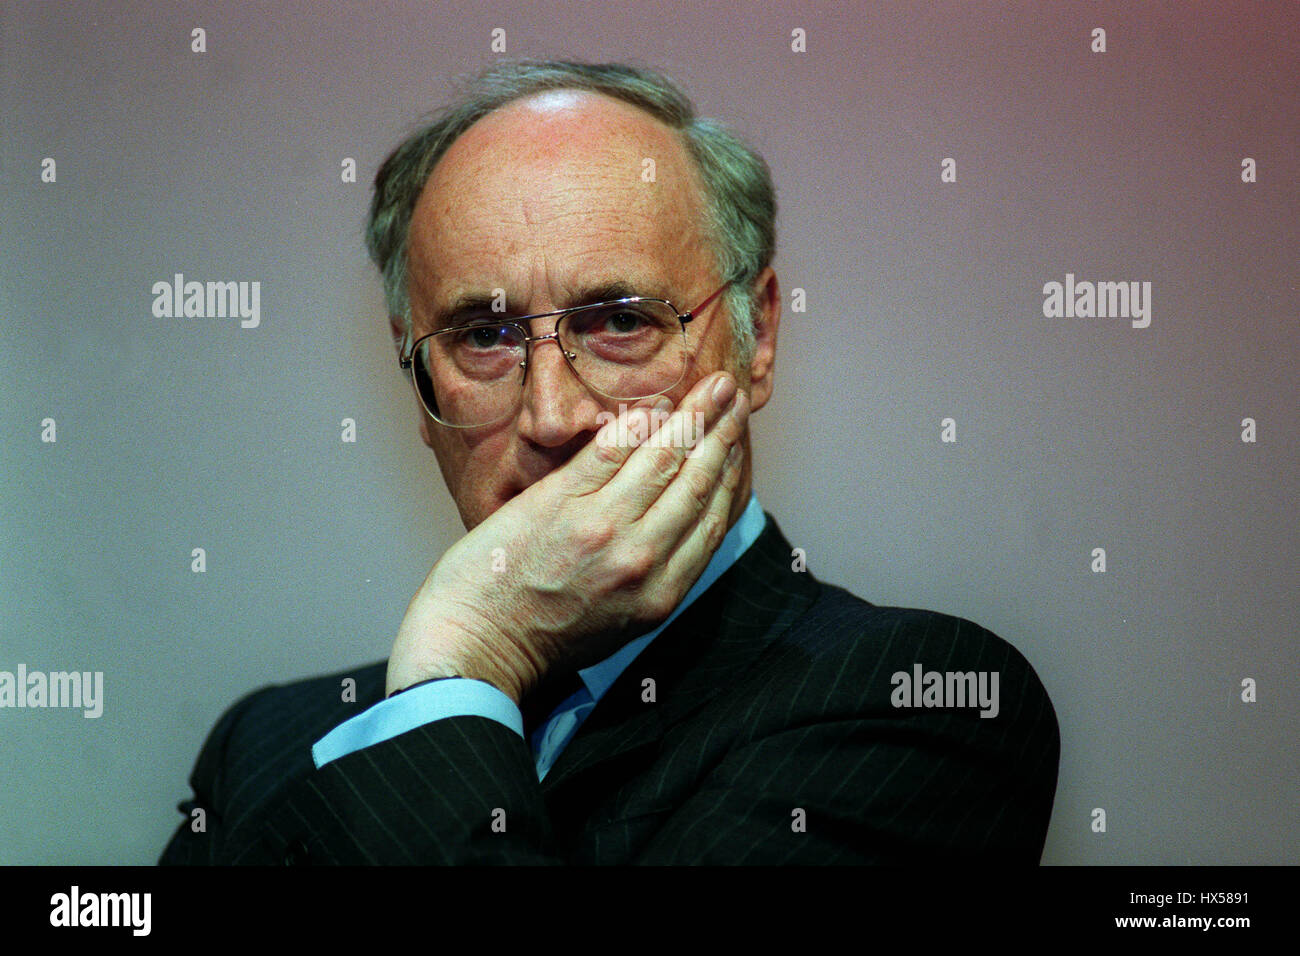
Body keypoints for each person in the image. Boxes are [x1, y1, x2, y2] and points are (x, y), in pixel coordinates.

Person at [159, 60, 1059, 865]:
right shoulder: (269, 746)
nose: (553, 416)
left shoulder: (918, 705)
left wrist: (464, 665)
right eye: (482, 336)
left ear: (757, 340)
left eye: (620, 320)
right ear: (416, 375)